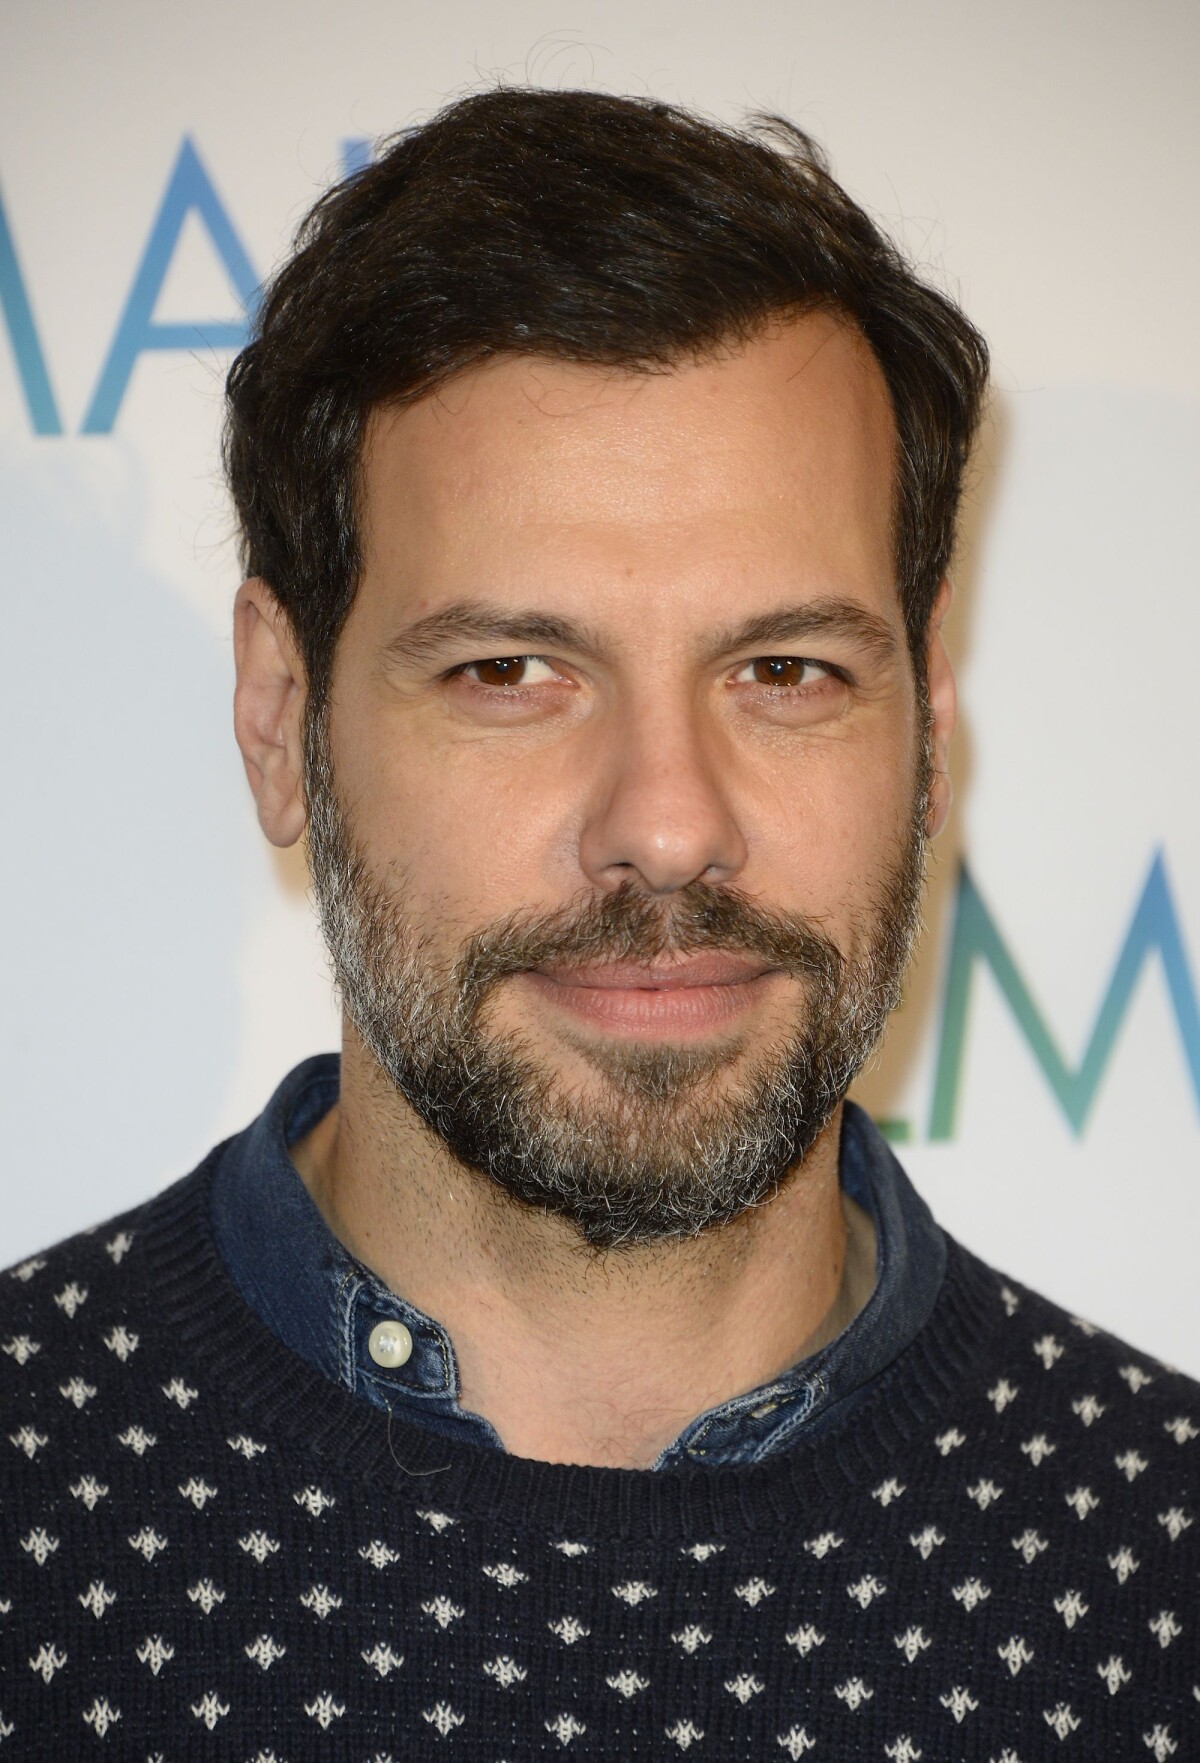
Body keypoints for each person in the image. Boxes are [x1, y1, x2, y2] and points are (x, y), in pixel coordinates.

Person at [2, 87, 1196, 1760]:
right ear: (280, 719)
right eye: (512, 671)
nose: (668, 823)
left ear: (929, 722)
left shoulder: (1159, 1564)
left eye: (786, 670)